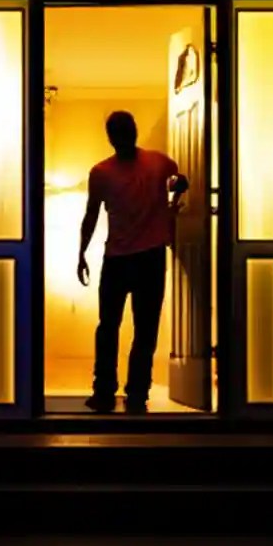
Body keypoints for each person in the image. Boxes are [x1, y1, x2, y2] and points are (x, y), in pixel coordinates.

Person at [77, 110, 188, 414]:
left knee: (115, 327)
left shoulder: (108, 170)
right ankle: (133, 395)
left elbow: (91, 214)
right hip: (139, 258)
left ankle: (109, 393)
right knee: (136, 329)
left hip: (128, 258)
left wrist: (82, 253)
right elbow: (180, 182)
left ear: (112, 136)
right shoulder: (156, 163)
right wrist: (82, 252)